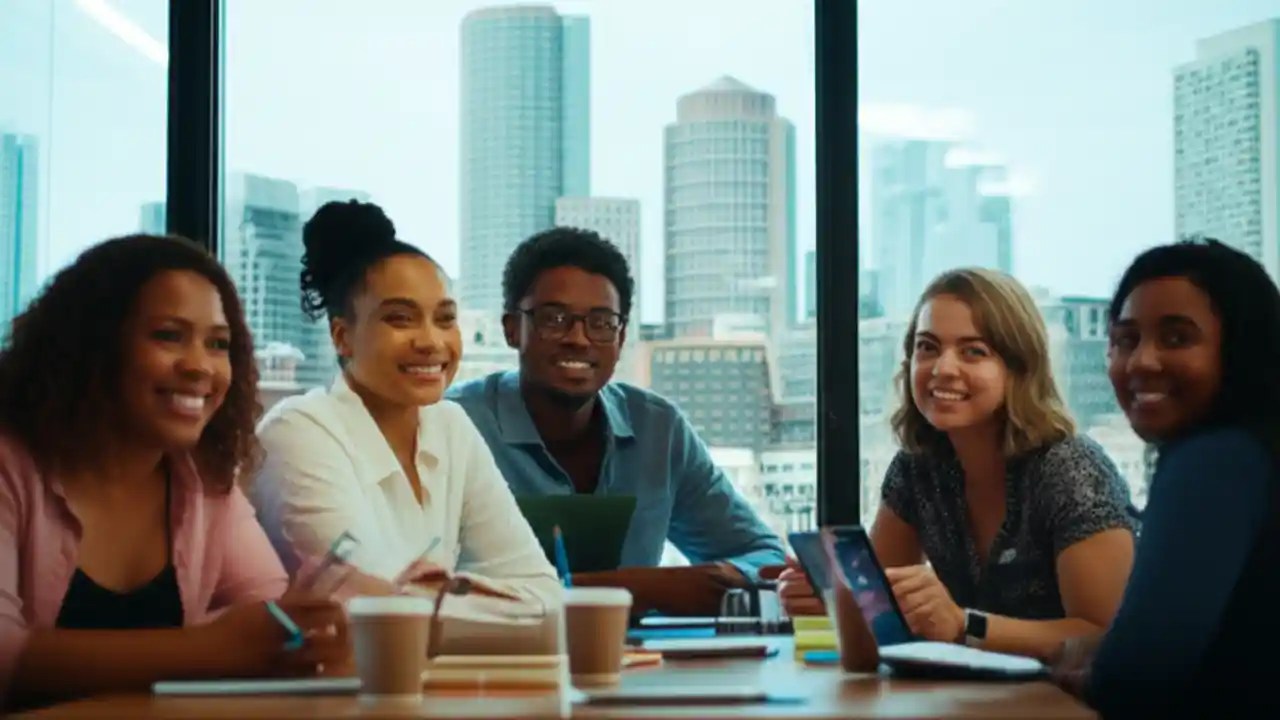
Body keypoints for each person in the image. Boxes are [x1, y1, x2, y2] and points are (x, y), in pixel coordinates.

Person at [0, 235, 348, 711]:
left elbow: (266, 614)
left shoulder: (204, 485)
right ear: (92, 344)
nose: (200, 366)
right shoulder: (10, 465)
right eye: (168, 335)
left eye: (218, 344)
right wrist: (212, 648)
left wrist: (306, 635)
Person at [779, 268, 1137, 659]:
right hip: (975, 701)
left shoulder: (1070, 469)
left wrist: (965, 626)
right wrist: (836, 599)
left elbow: (1106, 638)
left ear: (1019, 369)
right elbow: (878, 631)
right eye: (927, 347)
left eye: (973, 352)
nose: (942, 368)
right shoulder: (918, 469)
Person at [446, 227, 786, 616]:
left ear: (621, 336)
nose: (578, 338)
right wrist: (634, 589)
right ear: (511, 329)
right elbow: (417, 581)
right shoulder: (456, 424)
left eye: (602, 322)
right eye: (554, 319)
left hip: (640, 667)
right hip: (493, 665)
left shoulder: (658, 429)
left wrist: (716, 578)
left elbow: (765, 556)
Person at [250, 201, 559, 607]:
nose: (431, 341)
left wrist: (439, 593)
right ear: (342, 336)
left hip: (435, 670)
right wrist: (480, 597)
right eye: (400, 319)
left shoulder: (450, 425)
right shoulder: (297, 432)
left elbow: (545, 594)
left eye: (445, 319)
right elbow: (371, 611)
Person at [1052, 239, 1280, 716]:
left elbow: (1135, 679)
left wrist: (1096, 666)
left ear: (1242, 349)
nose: (1142, 362)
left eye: (1177, 338)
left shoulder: (1216, 461)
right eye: (1126, 340)